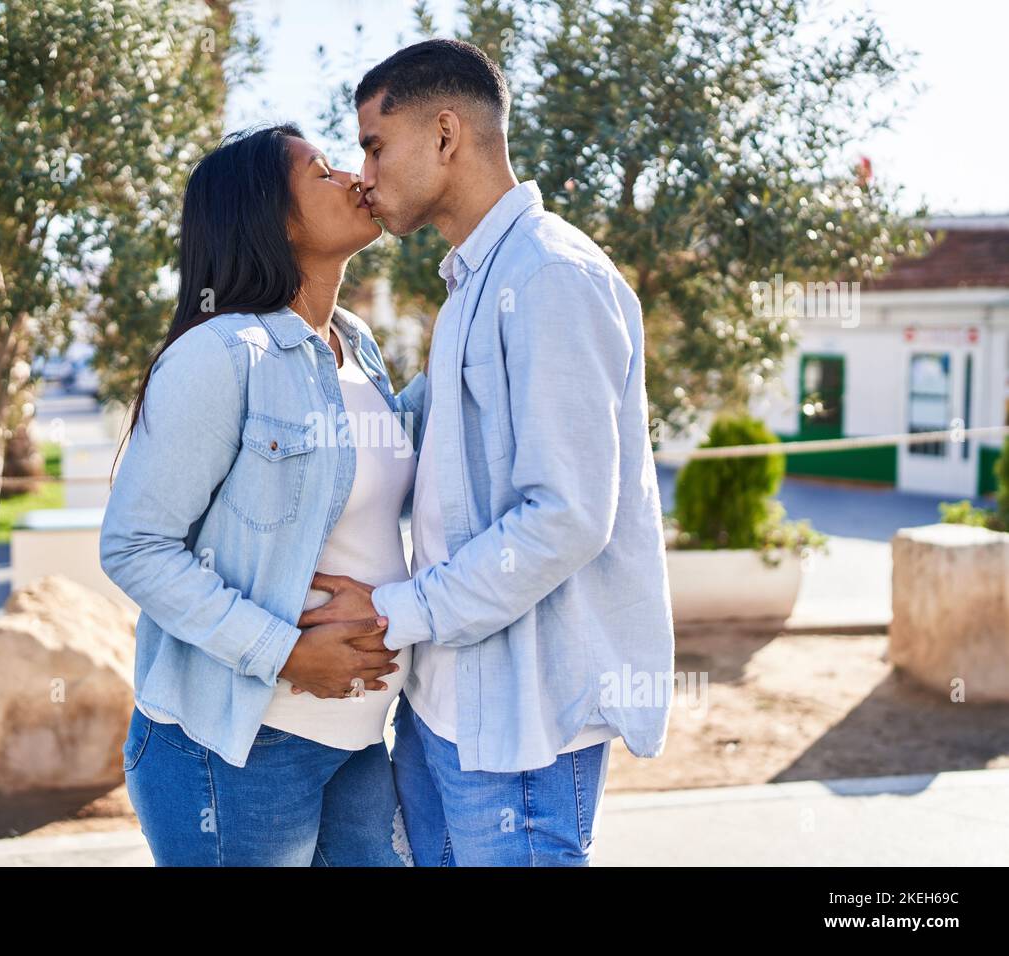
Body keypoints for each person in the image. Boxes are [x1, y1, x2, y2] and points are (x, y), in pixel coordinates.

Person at [300, 38, 677, 866]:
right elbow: (413, 453)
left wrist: (392, 612)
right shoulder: (476, 284)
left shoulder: (550, 278)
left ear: (444, 135)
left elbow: (567, 517)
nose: (363, 174)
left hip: (522, 731)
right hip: (444, 713)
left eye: (373, 144)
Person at [99, 123, 426, 866]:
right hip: (240, 750)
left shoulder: (355, 346)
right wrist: (283, 654)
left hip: (359, 738)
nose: (353, 178)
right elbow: (134, 548)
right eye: (322, 172)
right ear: (272, 218)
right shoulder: (220, 355)